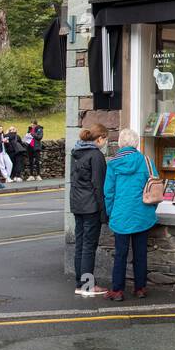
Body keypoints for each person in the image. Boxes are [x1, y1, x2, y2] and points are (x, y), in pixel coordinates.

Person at [103, 128, 158, 301]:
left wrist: (111, 212)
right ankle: (140, 288)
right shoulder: (146, 161)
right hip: (142, 214)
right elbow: (155, 188)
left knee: (120, 254)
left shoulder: (113, 164)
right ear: (136, 143)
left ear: (120, 144)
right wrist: (151, 209)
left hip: (121, 214)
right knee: (140, 253)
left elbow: (109, 192)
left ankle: (117, 290)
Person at [70, 126, 108, 296]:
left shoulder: (76, 153)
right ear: (99, 138)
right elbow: (99, 186)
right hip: (91, 206)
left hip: (77, 204)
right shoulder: (96, 156)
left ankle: (80, 282)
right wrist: (103, 211)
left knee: (80, 244)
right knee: (89, 246)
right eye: (105, 139)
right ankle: (87, 285)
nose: (105, 142)